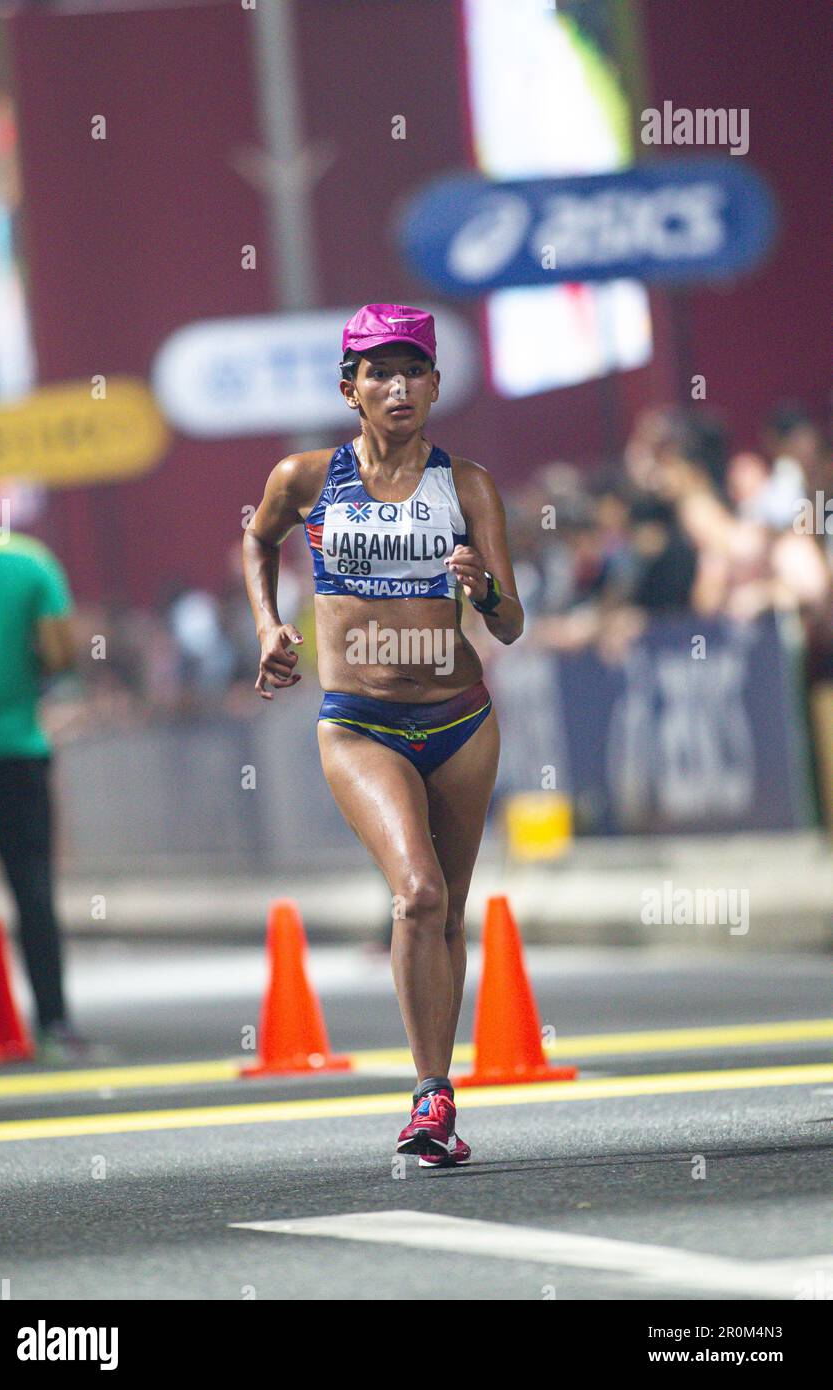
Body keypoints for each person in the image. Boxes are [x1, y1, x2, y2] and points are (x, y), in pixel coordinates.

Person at [243, 304, 523, 1165]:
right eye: (379, 372)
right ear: (350, 387)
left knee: (448, 914)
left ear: (436, 386)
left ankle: (441, 1098)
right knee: (419, 894)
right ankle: (428, 1096)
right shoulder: (305, 478)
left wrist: (479, 592)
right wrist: (268, 626)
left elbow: (510, 626)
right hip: (360, 724)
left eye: (414, 372)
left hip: (460, 722)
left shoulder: (467, 485)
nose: (397, 387)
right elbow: (257, 541)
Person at [0, 449, 85, 1065]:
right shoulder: (27, 561)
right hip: (14, 748)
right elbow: (61, 655)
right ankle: (55, 1024)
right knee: (33, 888)